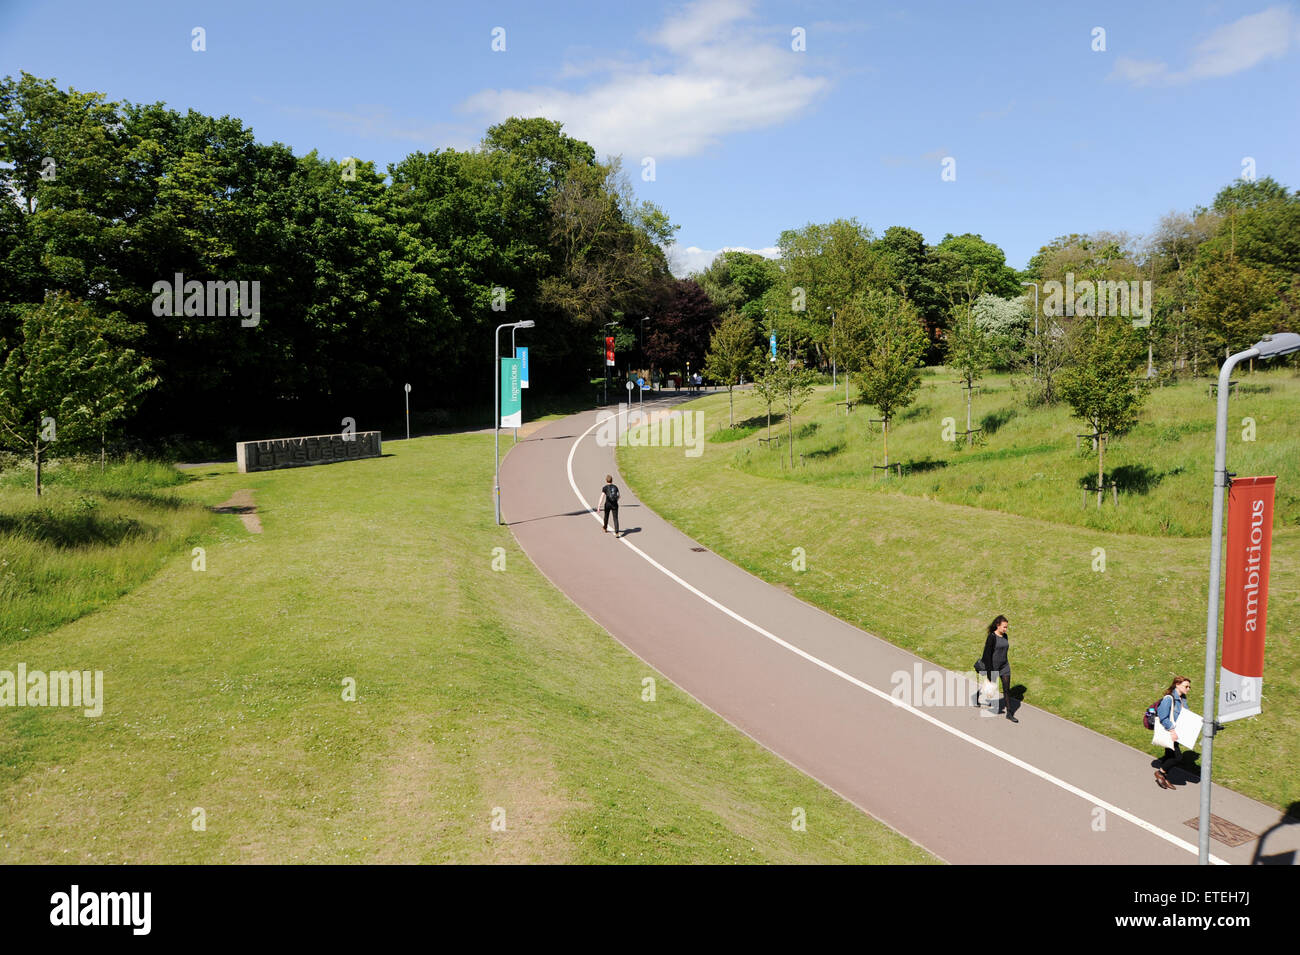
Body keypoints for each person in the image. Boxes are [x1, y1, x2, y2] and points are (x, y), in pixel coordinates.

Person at [1154, 676, 1192, 790]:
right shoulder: (1168, 699)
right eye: (1186, 686)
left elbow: (1186, 714)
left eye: (1189, 687)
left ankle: (1164, 777)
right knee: (1177, 757)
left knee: (1169, 755)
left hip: (1178, 731)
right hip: (1170, 732)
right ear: (1177, 684)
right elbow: (1163, 717)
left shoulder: (1182, 699)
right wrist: (1172, 730)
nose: (1188, 689)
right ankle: (1160, 773)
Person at [980, 615, 1017, 722]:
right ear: (997, 625)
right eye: (1004, 627)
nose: (1005, 629)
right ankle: (978, 695)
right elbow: (986, 655)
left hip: (1004, 666)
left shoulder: (1005, 636)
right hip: (993, 667)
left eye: (1006, 627)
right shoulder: (991, 637)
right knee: (990, 688)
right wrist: (990, 672)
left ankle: (1009, 713)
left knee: (1006, 689)